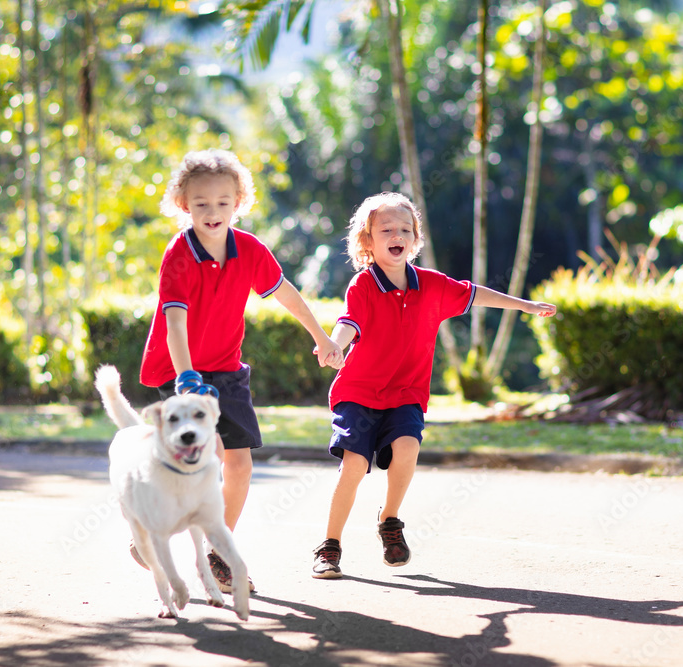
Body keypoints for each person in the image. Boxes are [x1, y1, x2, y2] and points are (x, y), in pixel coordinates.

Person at [311, 191, 556, 579]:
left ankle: (389, 520)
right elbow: (349, 322)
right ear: (367, 240)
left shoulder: (431, 285)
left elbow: (476, 294)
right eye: (386, 228)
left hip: (405, 393)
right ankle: (330, 546)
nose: (397, 234)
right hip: (358, 392)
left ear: (415, 238)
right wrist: (334, 346)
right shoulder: (363, 286)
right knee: (354, 466)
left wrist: (525, 305)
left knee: (407, 447)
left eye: (405, 229)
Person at [139, 149, 344, 592]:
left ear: (238, 202)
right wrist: (186, 377)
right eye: (201, 204)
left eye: (222, 203)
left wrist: (322, 337)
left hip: (227, 370)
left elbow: (285, 293)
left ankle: (218, 553)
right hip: (178, 369)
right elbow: (175, 322)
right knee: (200, 455)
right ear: (183, 204)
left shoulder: (249, 250)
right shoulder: (179, 254)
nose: (212, 212)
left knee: (240, 465)